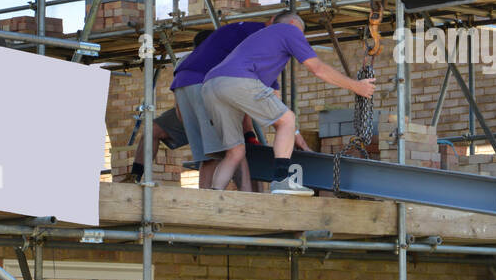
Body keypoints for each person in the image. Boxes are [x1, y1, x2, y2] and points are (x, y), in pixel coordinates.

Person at [202, 11, 376, 195]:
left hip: (210, 85)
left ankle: (213, 194)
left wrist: (298, 138)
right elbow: (317, 69)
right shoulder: (288, 30)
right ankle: (281, 180)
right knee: (287, 119)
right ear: (293, 23)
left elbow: (278, 109)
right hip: (238, 80)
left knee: (235, 151)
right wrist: (356, 86)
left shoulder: (262, 49)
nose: (301, 39)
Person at [133, 23, 266, 189]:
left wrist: (248, 133)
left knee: (227, 153)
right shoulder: (188, 60)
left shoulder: (216, 57)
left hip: (206, 105)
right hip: (193, 106)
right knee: (153, 131)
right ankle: (135, 177)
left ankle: (247, 196)